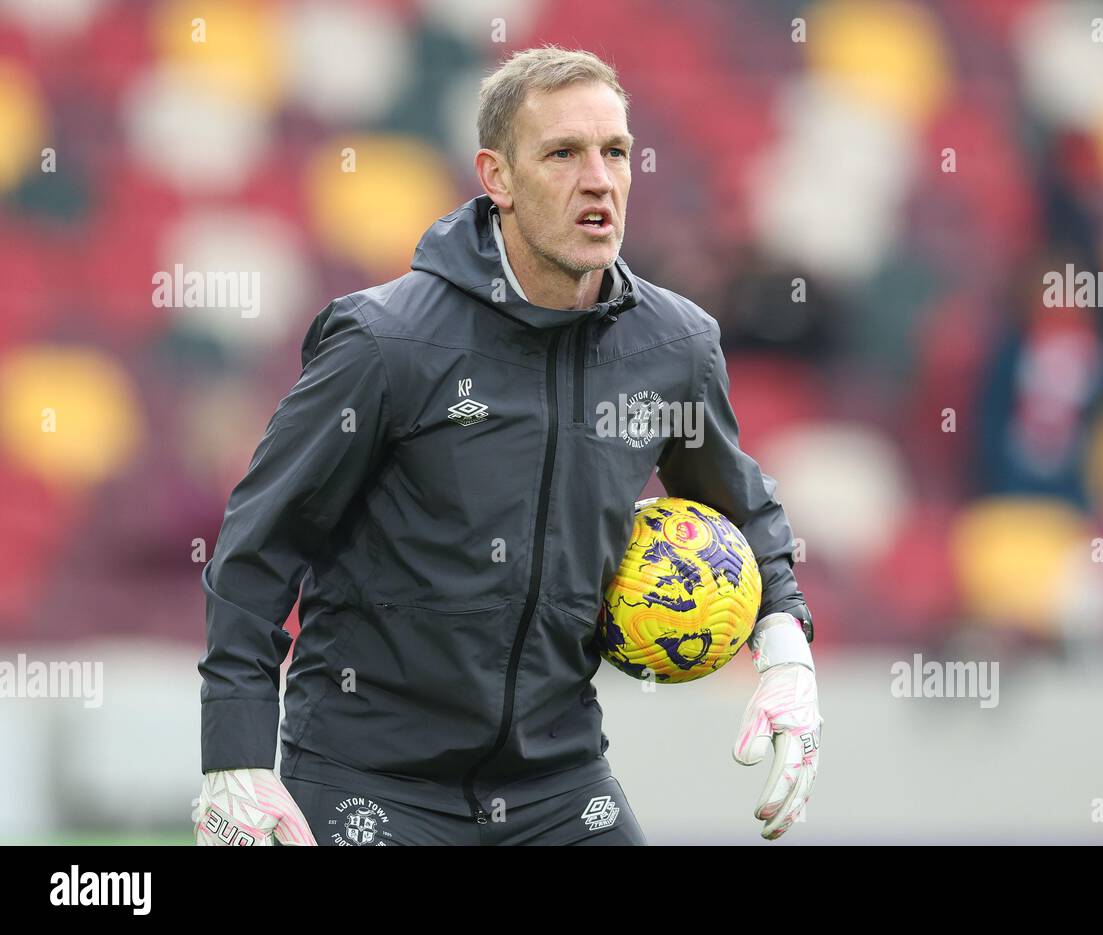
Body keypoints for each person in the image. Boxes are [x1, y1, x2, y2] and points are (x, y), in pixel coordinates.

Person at [193, 46, 820, 846]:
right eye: (563, 153)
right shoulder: (386, 341)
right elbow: (257, 547)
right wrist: (235, 755)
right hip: (369, 781)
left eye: (615, 153)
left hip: (557, 785)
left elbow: (741, 507)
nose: (598, 178)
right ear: (497, 177)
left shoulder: (676, 347)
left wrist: (785, 648)